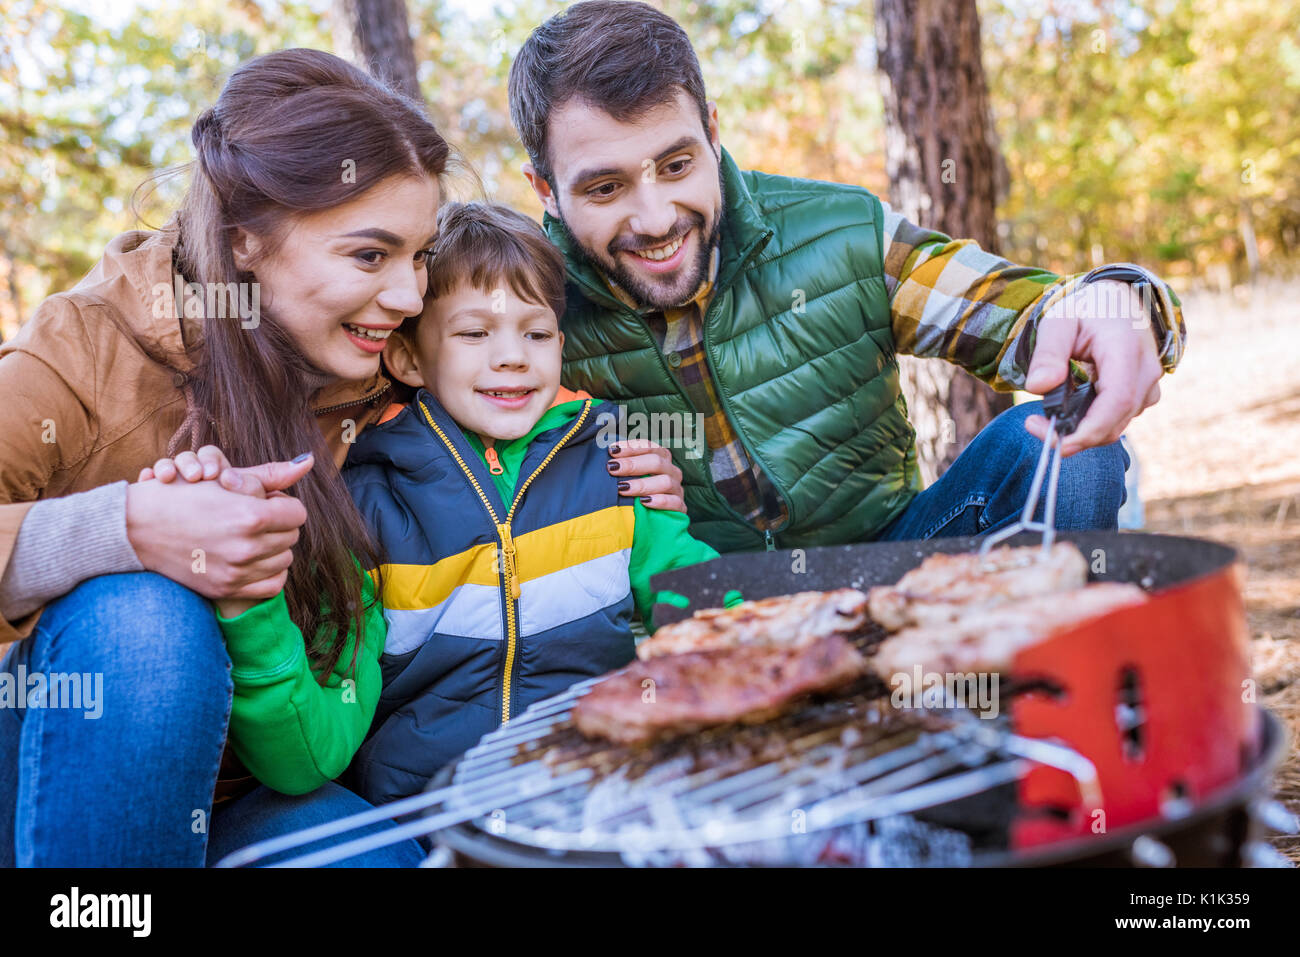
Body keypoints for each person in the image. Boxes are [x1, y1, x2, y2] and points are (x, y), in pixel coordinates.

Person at [0, 48, 683, 867]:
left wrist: (623, 473)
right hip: (72, 773)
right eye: (369, 255)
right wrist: (127, 526)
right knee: (149, 619)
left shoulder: (390, 354)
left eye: (419, 255)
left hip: (257, 791)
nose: (406, 297)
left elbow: (520, 407)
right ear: (246, 240)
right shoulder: (82, 352)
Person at [507, 1, 1189, 554]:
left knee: (1063, 448)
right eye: (604, 187)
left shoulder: (840, 233)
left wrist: (1119, 303)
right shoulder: (520, 306)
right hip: (689, 617)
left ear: (712, 133)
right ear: (544, 188)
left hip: (893, 571)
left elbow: (1028, 315)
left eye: (677, 165)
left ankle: (1050, 703)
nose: (655, 219)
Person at [340, 202, 723, 807]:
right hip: (427, 805)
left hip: (603, 781)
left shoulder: (613, 464)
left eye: (536, 333)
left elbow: (696, 599)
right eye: (474, 333)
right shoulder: (370, 498)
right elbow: (340, 692)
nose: (513, 356)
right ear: (409, 357)